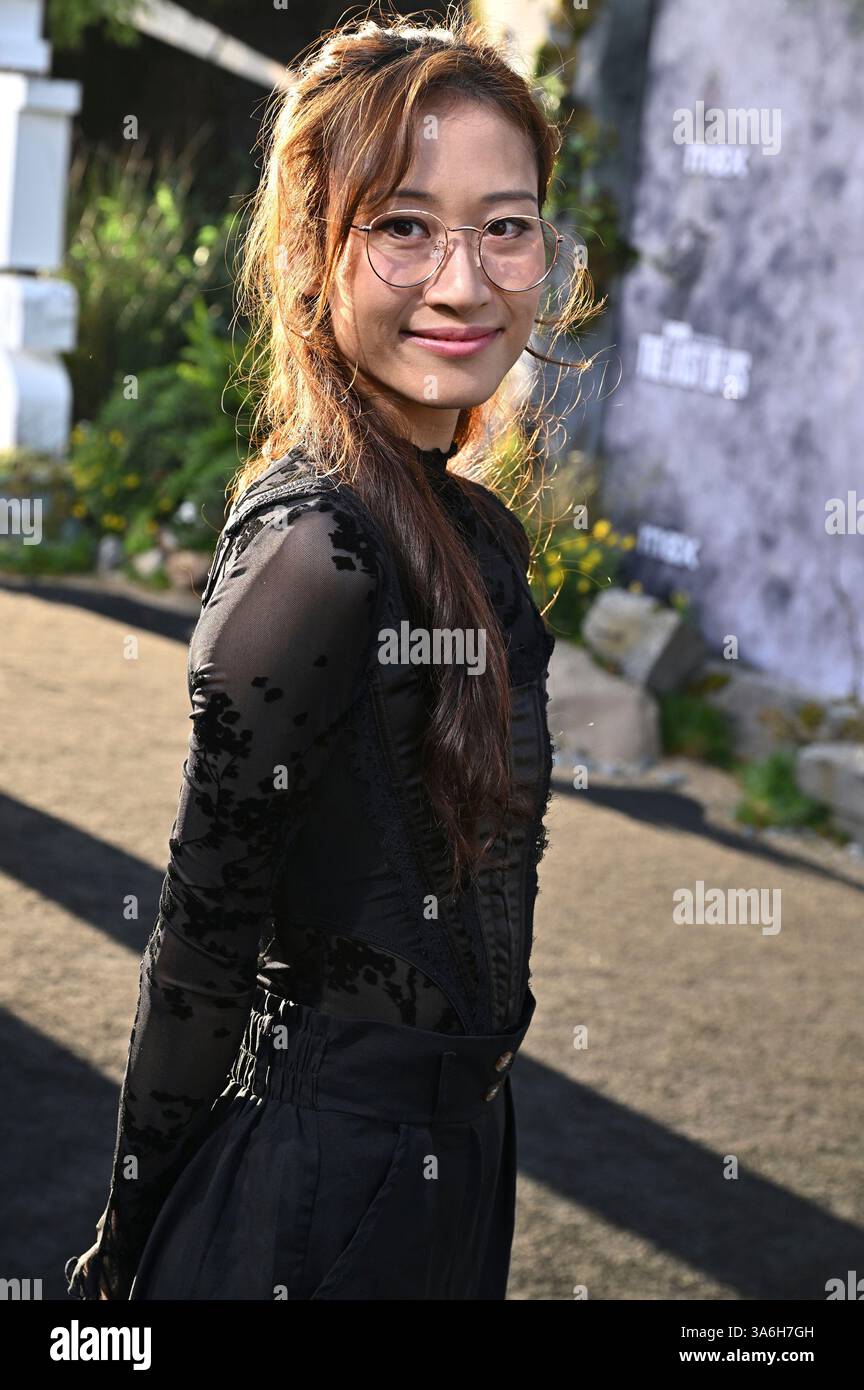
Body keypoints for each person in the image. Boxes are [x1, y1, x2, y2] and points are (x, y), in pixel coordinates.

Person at [64, 6, 598, 1301]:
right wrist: (121, 1259)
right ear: (312, 256)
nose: (464, 282)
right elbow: (198, 947)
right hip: (314, 1197)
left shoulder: (473, 530)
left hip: (460, 1160)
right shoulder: (313, 553)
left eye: (505, 226)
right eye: (403, 225)